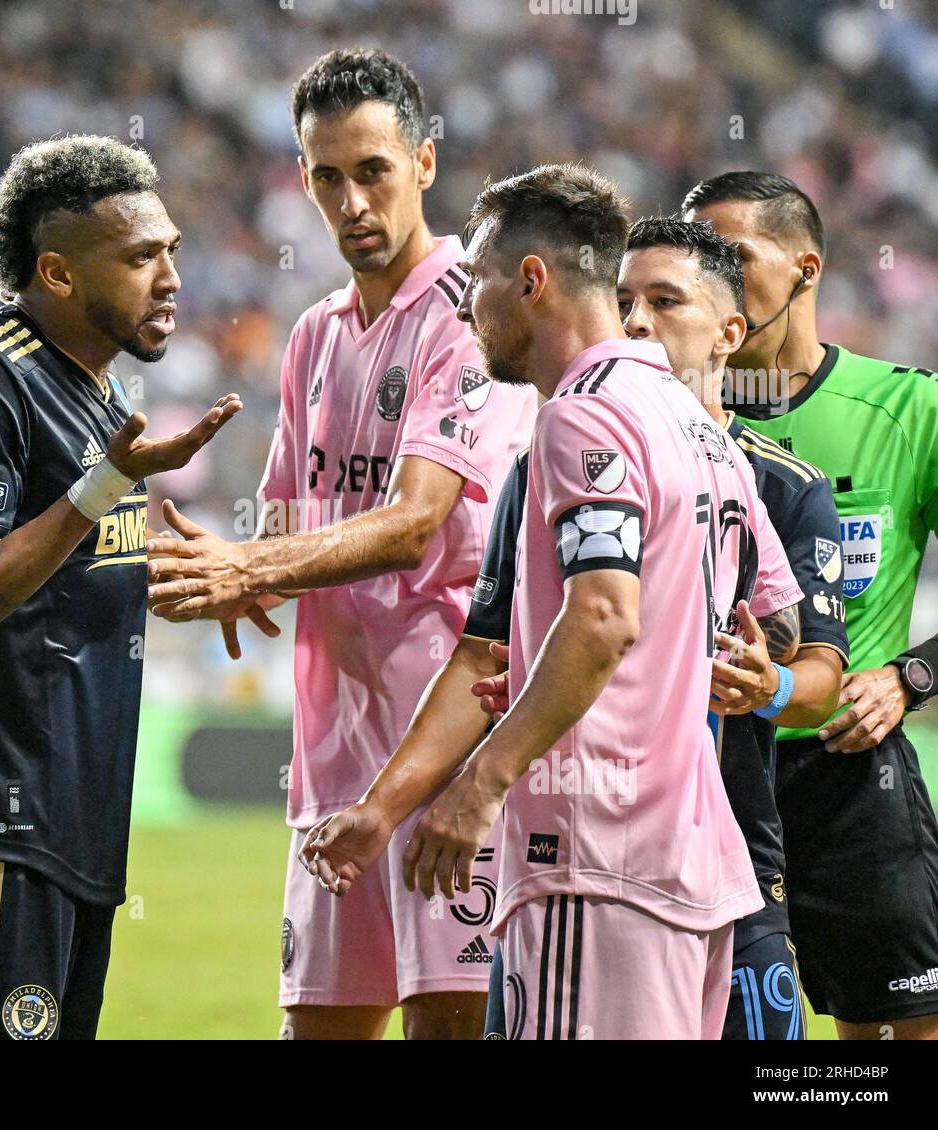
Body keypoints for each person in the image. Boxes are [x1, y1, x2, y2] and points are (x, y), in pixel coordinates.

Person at [302, 164, 800, 1039]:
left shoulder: (584, 415)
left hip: (593, 851)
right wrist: (564, 674)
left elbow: (605, 616)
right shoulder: (701, 428)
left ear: (531, 281)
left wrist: (480, 784)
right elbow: (774, 622)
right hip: (692, 860)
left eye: (478, 285)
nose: (464, 312)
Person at [146, 48, 535, 1040]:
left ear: (426, 165)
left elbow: (414, 521)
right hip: (333, 761)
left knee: (449, 1025)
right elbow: (286, 515)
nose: (351, 200)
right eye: (327, 176)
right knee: (317, 1028)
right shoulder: (314, 335)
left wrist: (255, 566)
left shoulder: (467, 319)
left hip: (445, 745)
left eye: (373, 170)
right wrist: (218, 569)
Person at [0, 135, 241, 1040]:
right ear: (54, 271)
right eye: (138, 257)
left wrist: (217, 577)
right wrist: (101, 489)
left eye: (171, 251)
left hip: (75, 824)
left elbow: (67, 575)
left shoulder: (94, 390)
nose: (169, 276)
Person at [684, 172, 938, 1040]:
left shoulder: (907, 408)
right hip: (707, 782)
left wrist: (913, 676)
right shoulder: (661, 424)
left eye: (732, 256)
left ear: (805, 268)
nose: (709, 275)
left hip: (846, 778)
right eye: (697, 257)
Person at [615, 217, 849, 1040]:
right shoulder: (560, 462)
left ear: (730, 331)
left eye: (664, 301)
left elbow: (820, 680)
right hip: (590, 869)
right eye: (624, 303)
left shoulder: (783, 490)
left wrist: (771, 685)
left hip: (737, 871)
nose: (636, 323)